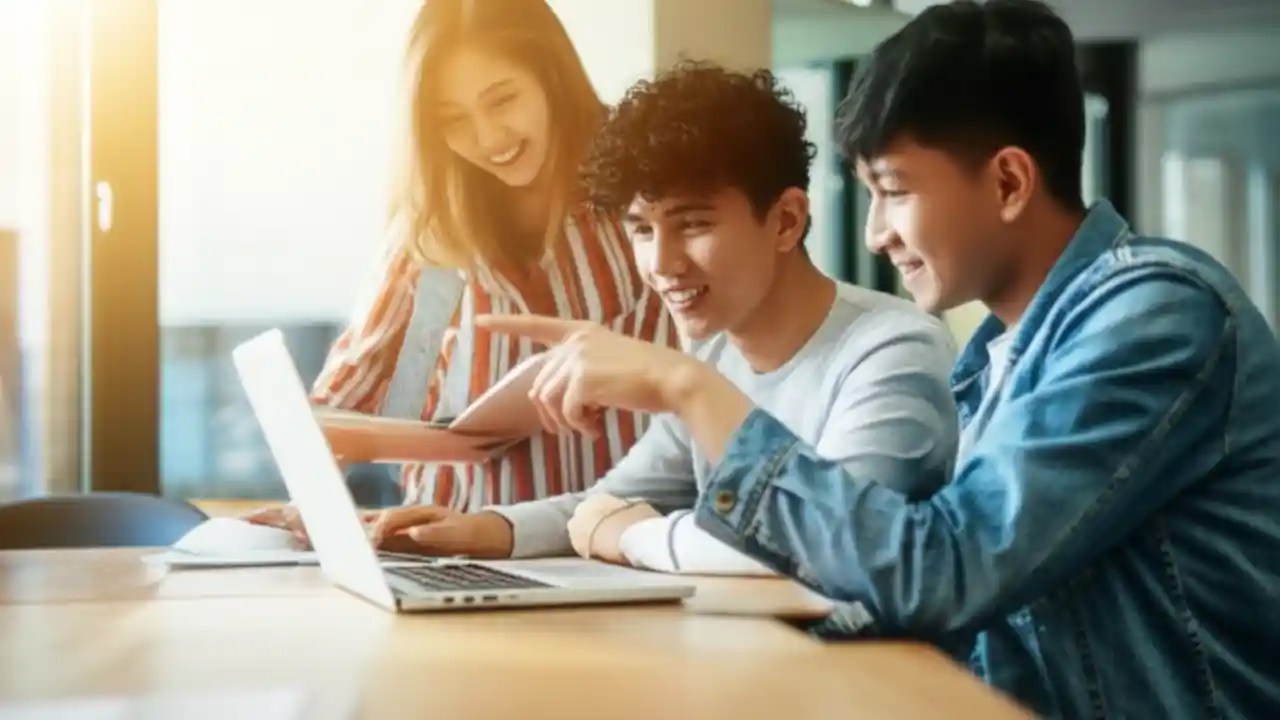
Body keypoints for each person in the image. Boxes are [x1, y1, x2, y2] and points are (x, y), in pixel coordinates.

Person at [472, 2, 1280, 717]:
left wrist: (685, 387)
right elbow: (914, 594)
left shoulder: (1152, 314)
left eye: (895, 191)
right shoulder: (999, 358)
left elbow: (942, 572)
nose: (875, 233)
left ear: (1008, 182)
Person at [367, 62, 958, 575]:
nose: (661, 264)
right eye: (641, 230)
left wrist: (631, 536)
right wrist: (478, 530)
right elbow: (609, 504)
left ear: (785, 220)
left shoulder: (894, 350)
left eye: (693, 224)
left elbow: (832, 545)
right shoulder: (715, 353)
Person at [247, 0, 677, 539]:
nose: (489, 138)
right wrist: (314, 502)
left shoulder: (643, 200)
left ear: (552, 78)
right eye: (453, 119)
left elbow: (714, 374)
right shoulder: (430, 235)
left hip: (618, 544)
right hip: (455, 548)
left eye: (503, 100)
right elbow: (340, 401)